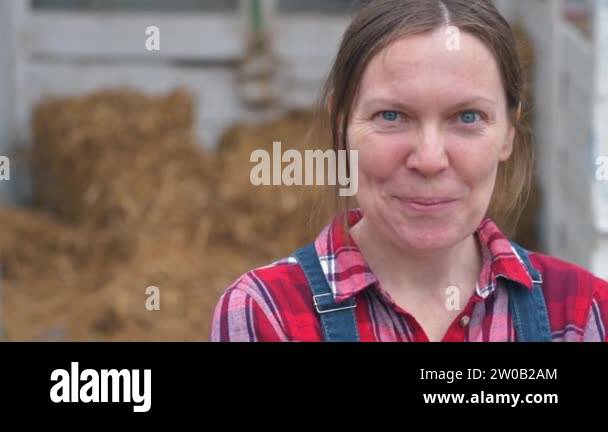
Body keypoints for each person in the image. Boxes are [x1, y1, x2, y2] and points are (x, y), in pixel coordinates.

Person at [210, 0, 608, 342]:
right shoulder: (268, 315)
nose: (430, 158)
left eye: (467, 116)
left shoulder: (581, 315)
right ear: (341, 126)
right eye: (392, 115)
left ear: (508, 132)